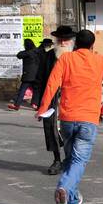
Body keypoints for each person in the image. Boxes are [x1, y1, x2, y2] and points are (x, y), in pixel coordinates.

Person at [36, 28, 103, 204]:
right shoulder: (99, 60)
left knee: (71, 160)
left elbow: (52, 84)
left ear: (74, 44)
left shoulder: (65, 59)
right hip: (89, 119)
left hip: (67, 119)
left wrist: (43, 108)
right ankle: (63, 188)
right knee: (78, 162)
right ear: (92, 45)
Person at [36, 27, 74, 173]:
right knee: (51, 129)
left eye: (66, 40)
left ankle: (71, 159)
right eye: (60, 40)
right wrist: (40, 103)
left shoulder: (76, 55)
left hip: (72, 98)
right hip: (52, 98)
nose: (63, 43)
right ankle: (57, 160)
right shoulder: (49, 56)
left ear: (71, 41)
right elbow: (41, 79)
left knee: (72, 130)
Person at [8, 38, 41, 109]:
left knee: (22, 90)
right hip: (37, 75)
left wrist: (26, 51)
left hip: (28, 75)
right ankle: (35, 105)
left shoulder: (27, 53)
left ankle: (16, 105)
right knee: (36, 91)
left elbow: (19, 55)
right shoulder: (37, 51)